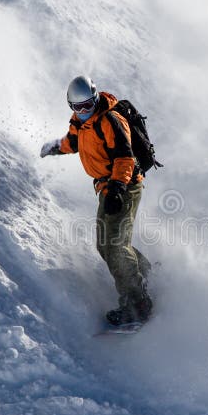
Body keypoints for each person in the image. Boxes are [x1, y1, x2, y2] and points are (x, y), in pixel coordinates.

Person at [40, 75, 153, 325]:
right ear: (71, 106)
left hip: (124, 185)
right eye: (78, 107)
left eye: (88, 105)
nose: (84, 111)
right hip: (107, 187)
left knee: (114, 244)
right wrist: (55, 147)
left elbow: (125, 157)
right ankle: (145, 273)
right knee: (106, 244)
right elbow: (73, 142)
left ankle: (137, 303)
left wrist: (117, 188)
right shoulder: (81, 123)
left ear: (95, 98)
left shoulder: (110, 120)